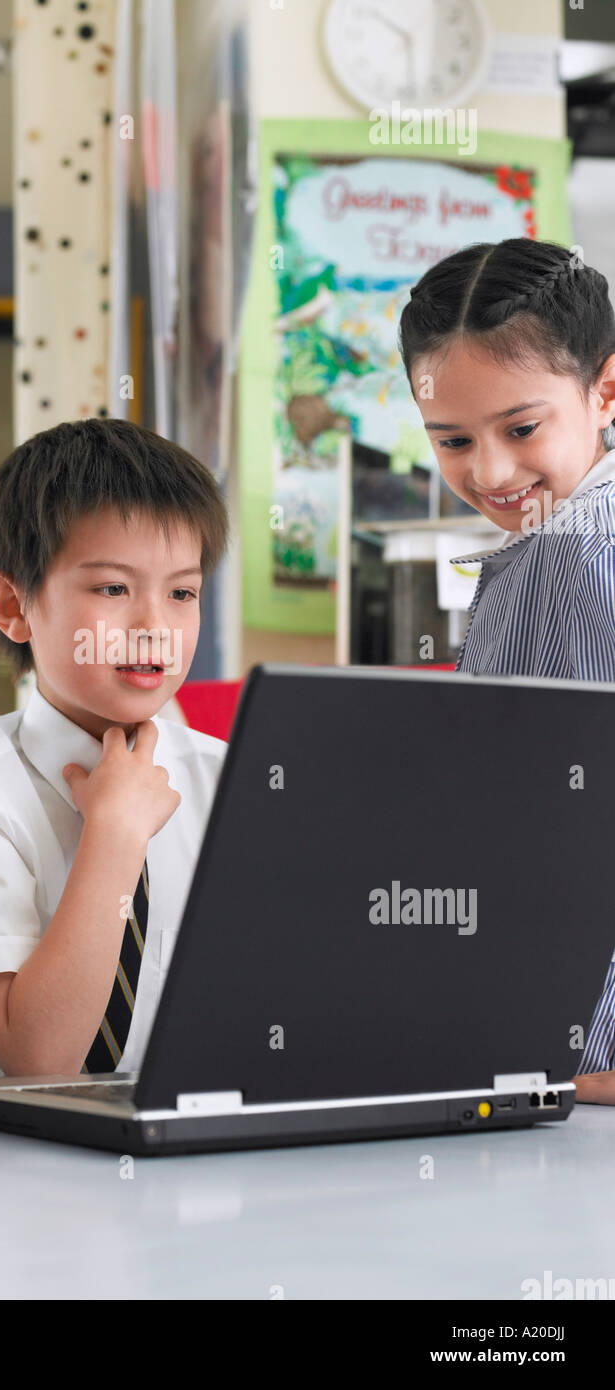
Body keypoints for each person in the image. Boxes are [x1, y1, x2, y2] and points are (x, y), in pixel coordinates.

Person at [0, 418, 229, 1078]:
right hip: (18, 1161)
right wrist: (114, 833)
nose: (154, 626)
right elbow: (40, 1063)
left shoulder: (229, 778)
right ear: (13, 607)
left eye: (182, 592)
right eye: (112, 590)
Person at [399, 236, 615, 1102]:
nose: (487, 471)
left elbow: (525, 838)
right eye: (449, 440)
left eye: (520, 428)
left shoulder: (561, 556)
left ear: (605, 388)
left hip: (575, 1050)